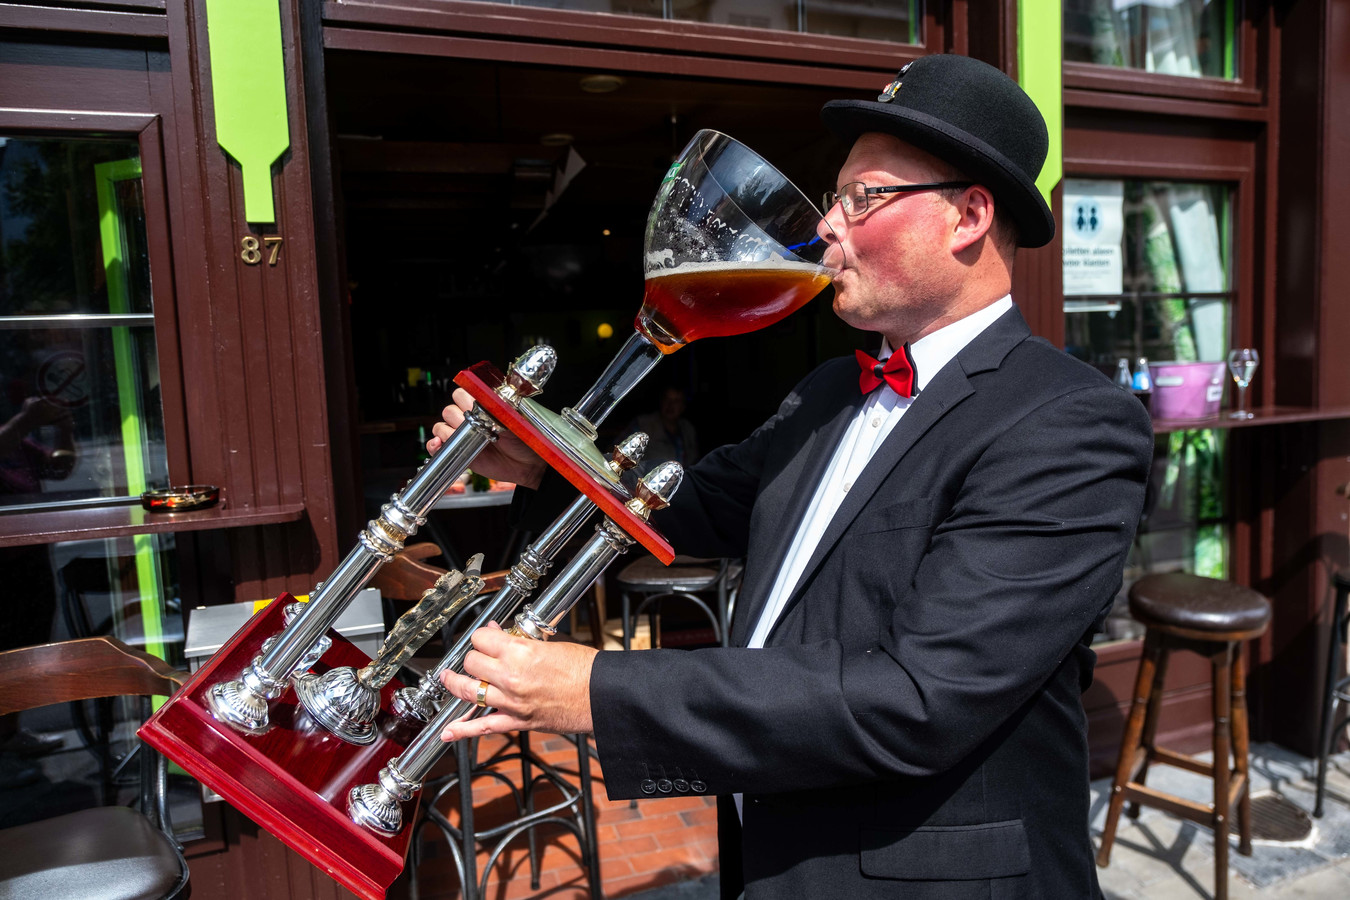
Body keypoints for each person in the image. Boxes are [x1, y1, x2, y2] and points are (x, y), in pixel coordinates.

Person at [429, 53, 1152, 898]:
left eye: (863, 197)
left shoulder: (1070, 423)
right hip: (776, 859)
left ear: (968, 215)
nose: (827, 229)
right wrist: (541, 466)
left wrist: (602, 690)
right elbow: (689, 508)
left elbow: (918, 698)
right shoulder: (827, 388)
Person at [623, 385, 700, 471]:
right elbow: (619, 454)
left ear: (683, 406)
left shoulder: (688, 429)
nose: (670, 405)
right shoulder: (643, 424)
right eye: (667, 399)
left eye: (676, 401)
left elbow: (694, 461)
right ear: (661, 401)